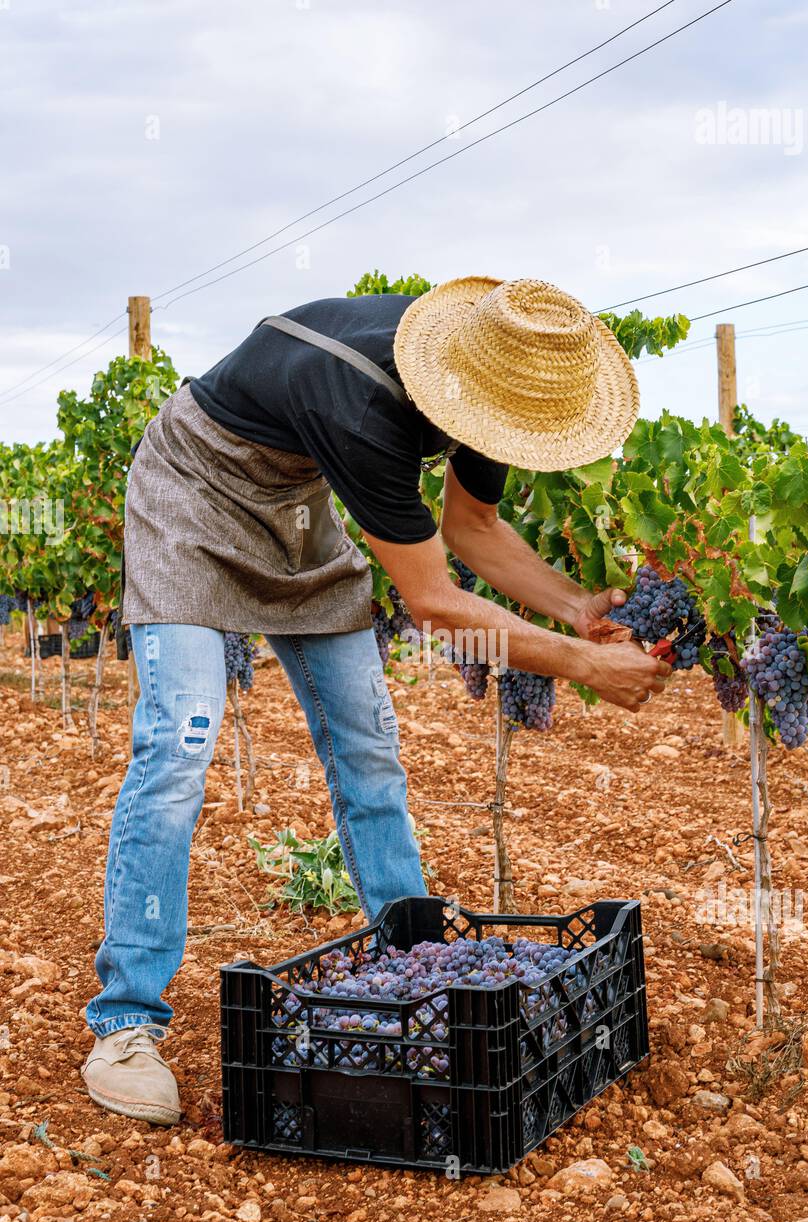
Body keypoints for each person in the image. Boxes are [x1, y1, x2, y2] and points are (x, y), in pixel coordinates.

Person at [81, 276, 671, 1125]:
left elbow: (472, 530)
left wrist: (575, 607)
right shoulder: (361, 403)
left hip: (293, 509)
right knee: (179, 746)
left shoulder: (484, 384)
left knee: (368, 747)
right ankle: (125, 1023)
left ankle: (417, 975)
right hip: (192, 497)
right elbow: (434, 602)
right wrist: (579, 665)